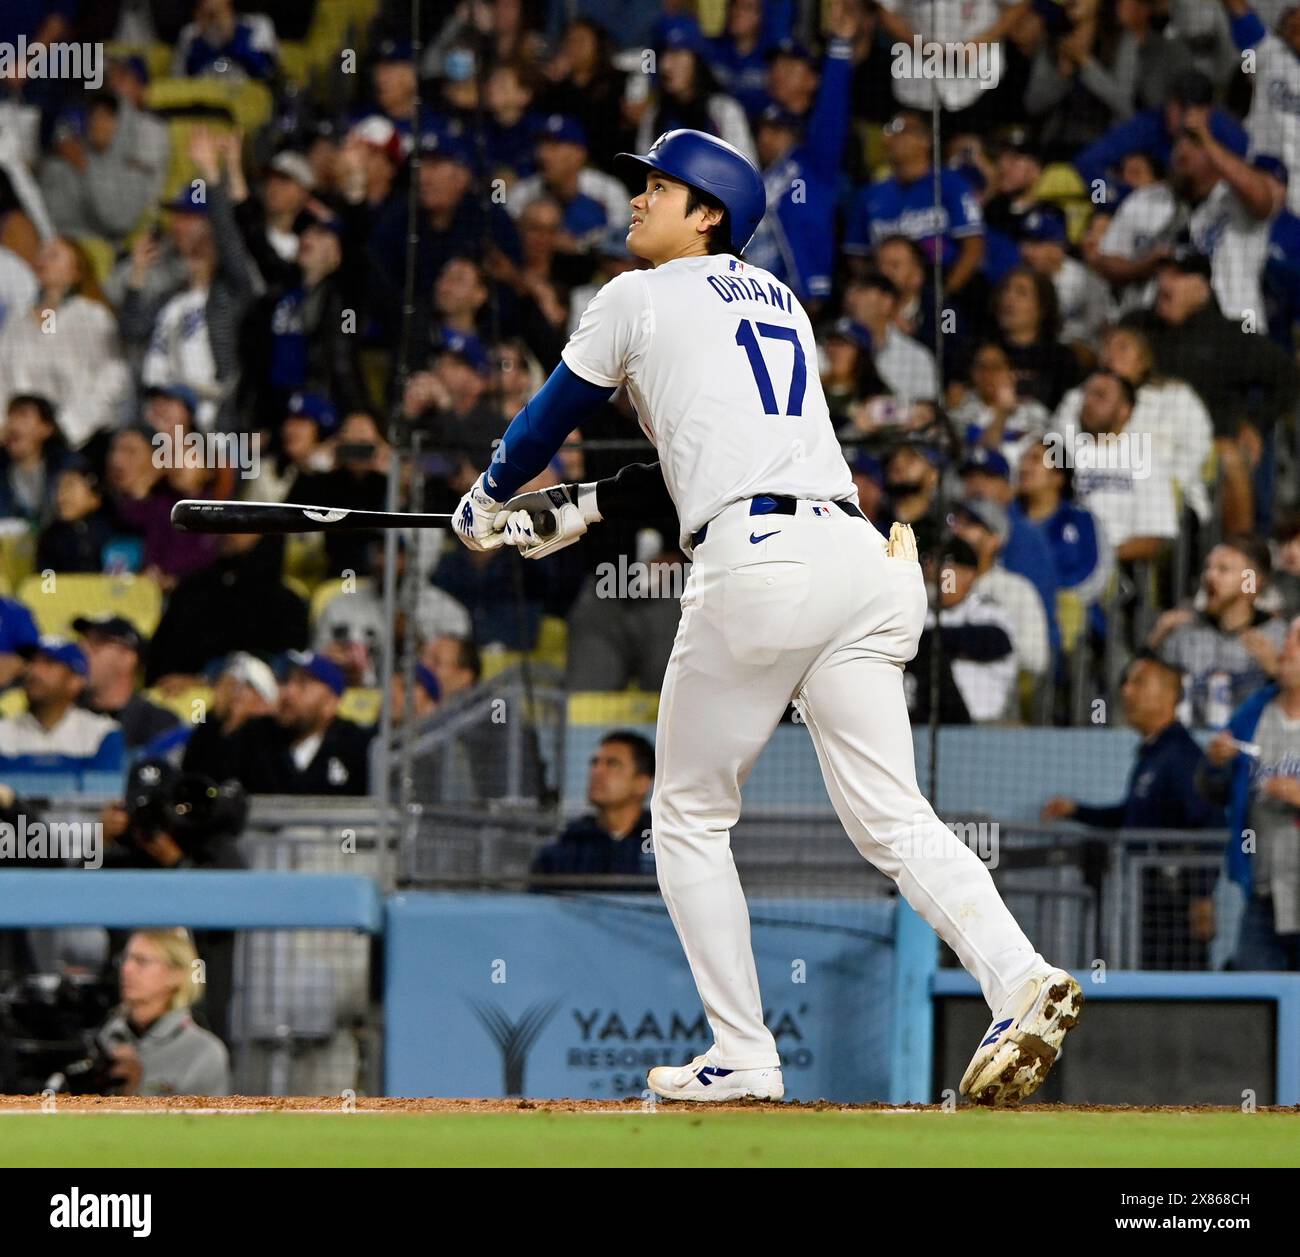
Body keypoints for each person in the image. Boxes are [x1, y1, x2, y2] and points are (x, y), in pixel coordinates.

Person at [449, 128, 1081, 1105]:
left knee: (689, 812)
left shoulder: (634, 296)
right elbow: (702, 456)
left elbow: (546, 417)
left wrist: (490, 495)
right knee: (895, 818)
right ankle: (1019, 976)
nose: (638, 197)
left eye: (661, 186)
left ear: (710, 214)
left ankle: (743, 1053)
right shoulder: (777, 299)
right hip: (858, 561)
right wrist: (572, 511)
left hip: (759, 565)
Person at [1199, 615, 1300, 971]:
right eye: (1287, 639)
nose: (1284, 649)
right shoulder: (1255, 712)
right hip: (1264, 895)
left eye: (1296, 642)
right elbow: (1213, 791)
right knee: (1259, 1007)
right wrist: (1216, 763)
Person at [1148, 536, 1287, 727]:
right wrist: (1154, 642)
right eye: (1208, 568)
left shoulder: (1279, 636)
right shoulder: (1183, 631)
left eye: (1223, 569)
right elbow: (1139, 694)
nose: (1210, 576)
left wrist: (1275, 672)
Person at [91, 929, 230, 1096]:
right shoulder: (103, 1038)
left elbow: (202, 1122)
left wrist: (135, 1091)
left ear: (176, 975)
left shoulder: (204, 1053)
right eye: (125, 959)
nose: (126, 969)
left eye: (141, 961)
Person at [530, 730, 655, 883]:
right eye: (595, 763)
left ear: (642, 782)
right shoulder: (562, 850)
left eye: (613, 764)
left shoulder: (662, 845)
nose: (597, 771)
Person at [0, 637, 124, 772]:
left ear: (75, 681)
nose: (34, 671)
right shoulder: (3, 732)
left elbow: (104, 790)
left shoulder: (101, 734)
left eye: (49, 663)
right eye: (31, 662)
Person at [73, 614, 179, 753]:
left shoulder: (158, 725)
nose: (82, 650)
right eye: (82, 642)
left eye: (97, 643)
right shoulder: (62, 713)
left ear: (127, 659)